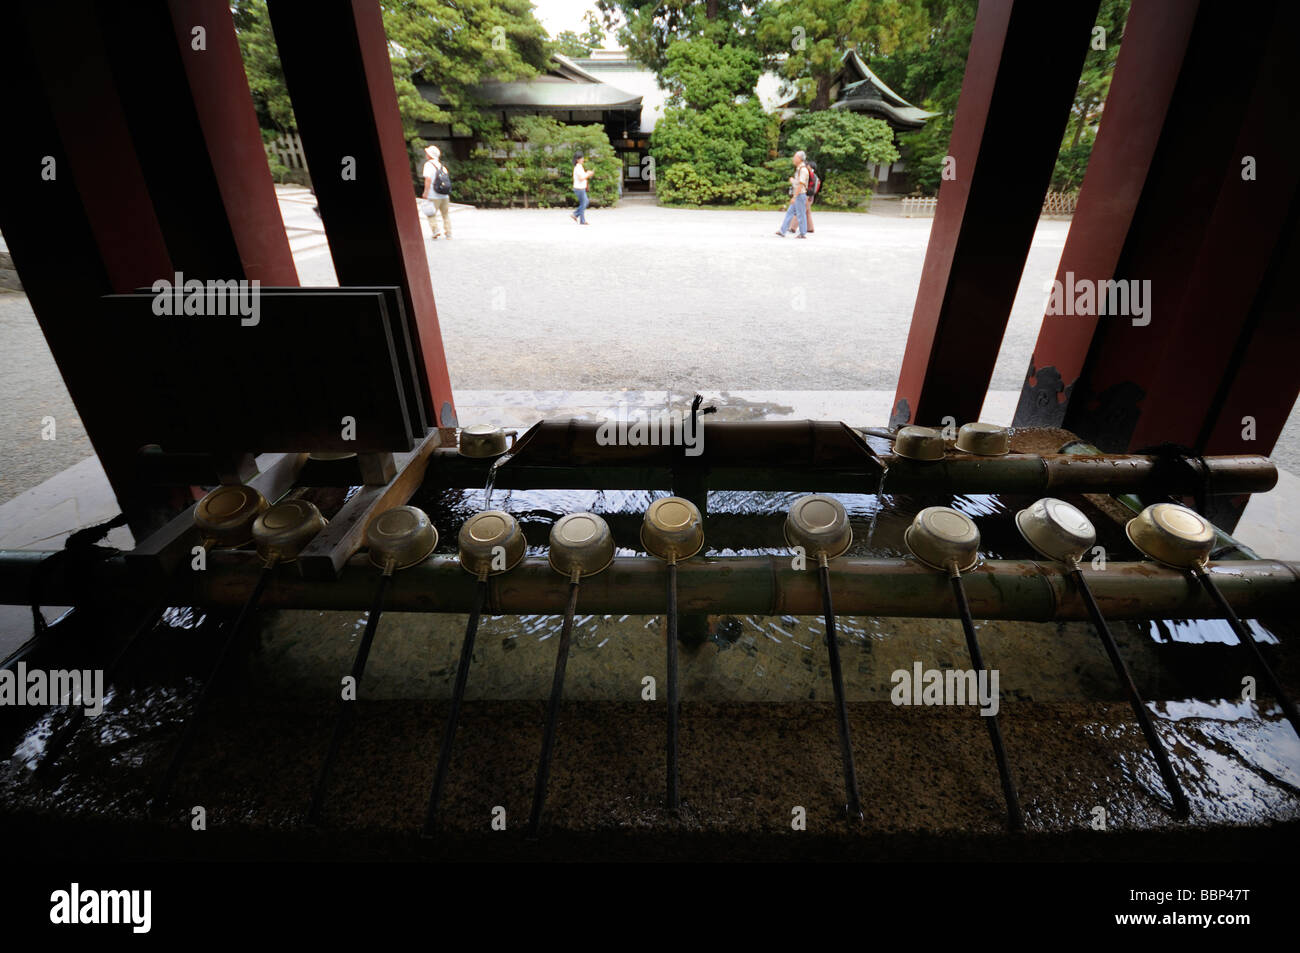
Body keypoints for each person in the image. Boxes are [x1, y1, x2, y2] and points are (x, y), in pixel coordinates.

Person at [774, 150, 809, 239]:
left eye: (795, 157)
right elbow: (798, 183)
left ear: (800, 159)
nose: (793, 159)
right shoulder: (799, 169)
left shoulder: (803, 170)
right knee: (790, 212)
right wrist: (793, 181)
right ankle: (783, 230)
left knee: (801, 214)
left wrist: (794, 196)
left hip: (800, 195)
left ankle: (802, 233)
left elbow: (801, 185)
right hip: (798, 194)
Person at [421, 145, 452, 240]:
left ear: (430, 155)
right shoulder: (442, 166)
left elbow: (428, 179)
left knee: (430, 213)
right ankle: (448, 233)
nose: (426, 154)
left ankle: (435, 230)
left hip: (433, 194)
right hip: (444, 195)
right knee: (445, 214)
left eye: (427, 153)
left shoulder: (428, 165)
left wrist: (425, 192)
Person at [571, 152, 594, 225]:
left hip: (581, 188)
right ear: (577, 159)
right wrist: (588, 174)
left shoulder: (580, 167)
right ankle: (576, 215)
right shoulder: (578, 167)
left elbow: (583, 175)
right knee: (585, 202)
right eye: (581, 158)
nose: (583, 159)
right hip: (579, 188)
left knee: (583, 203)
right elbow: (581, 178)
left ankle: (580, 219)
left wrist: (587, 173)